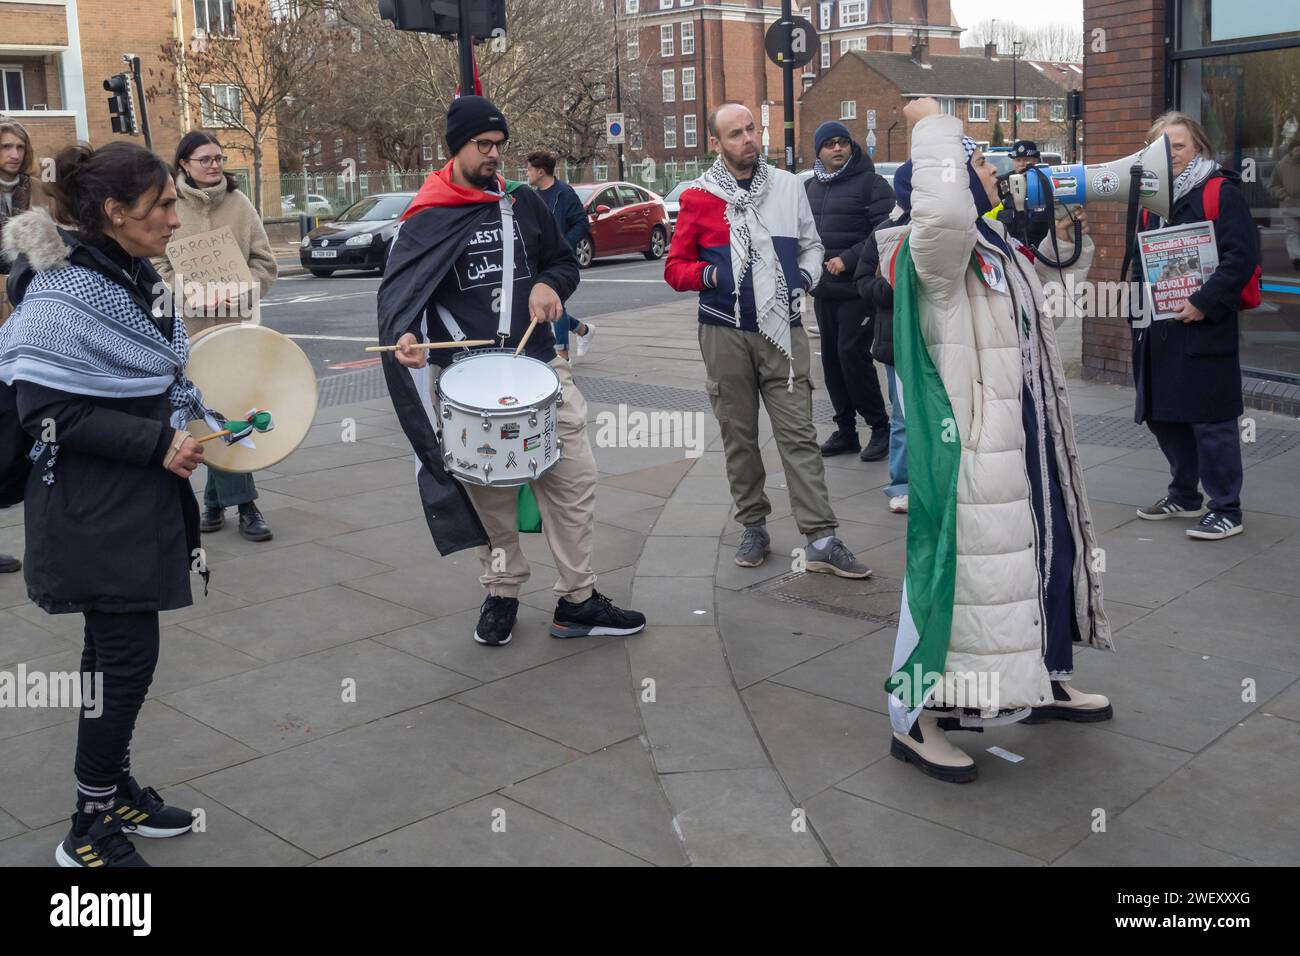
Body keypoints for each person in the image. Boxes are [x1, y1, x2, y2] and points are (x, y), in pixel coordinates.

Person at [878, 98, 1112, 783]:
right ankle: (913, 721)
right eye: (976, 160)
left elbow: (1051, 312)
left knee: (1046, 555)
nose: (990, 167)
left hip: (1029, 433)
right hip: (973, 447)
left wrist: (1076, 237)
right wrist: (928, 118)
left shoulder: (994, 246)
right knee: (954, 582)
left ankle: (1043, 674)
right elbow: (946, 211)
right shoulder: (933, 254)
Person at [0, 141, 207, 865]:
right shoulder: (60, 290)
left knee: (113, 657)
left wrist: (186, 417)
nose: (176, 218)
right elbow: (47, 413)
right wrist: (156, 445)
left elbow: (163, 370)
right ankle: (88, 825)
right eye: (163, 206)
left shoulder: (132, 269)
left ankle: (113, 789)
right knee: (124, 660)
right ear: (115, 212)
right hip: (90, 508)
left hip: (134, 500)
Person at [378, 96, 645, 646]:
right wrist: (406, 339)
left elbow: (563, 261)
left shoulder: (524, 204)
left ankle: (578, 599)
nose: (494, 156)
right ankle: (501, 591)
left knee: (572, 481)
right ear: (455, 147)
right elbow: (401, 301)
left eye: (500, 146)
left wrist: (551, 285)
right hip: (468, 379)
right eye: (483, 146)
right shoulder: (425, 219)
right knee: (489, 494)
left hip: (543, 366)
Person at [665, 103, 870, 578]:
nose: (748, 140)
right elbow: (674, 268)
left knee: (798, 433)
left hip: (785, 327)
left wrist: (803, 274)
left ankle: (821, 537)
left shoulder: (787, 186)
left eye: (752, 130)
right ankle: (753, 525)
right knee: (738, 435)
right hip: (723, 330)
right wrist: (712, 273)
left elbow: (812, 243)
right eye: (735, 134)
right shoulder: (699, 196)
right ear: (716, 144)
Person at [1130, 110, 1260, 540]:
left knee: (1211, 420)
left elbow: (1241, 259)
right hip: (1161, 329)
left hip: (1205, 326)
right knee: (1164, 416)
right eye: (1161, 148)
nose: (1171, 155)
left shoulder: (1221, 193)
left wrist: (1204, 302)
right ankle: (1184, 494)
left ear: (1198, 147)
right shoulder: (1151, 203)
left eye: (1179, 145)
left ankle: (1227, 508)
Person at [153, 131, 278, 542]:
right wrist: (190, 294)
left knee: (234, 412)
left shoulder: (241, 205)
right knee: (201, 414)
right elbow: (156, 266)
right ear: (184, 164)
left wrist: (245, 289)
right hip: (187, 332)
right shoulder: (169, 207)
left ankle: (243, 505)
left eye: (219, 158)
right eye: (205, 159)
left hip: (236, 330)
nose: (214, 165)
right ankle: (219, 501)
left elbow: (265, 263)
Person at [803, 121, 895, 463]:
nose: (837, 149)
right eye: (830, 145)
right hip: (824, 288)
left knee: (852, 356)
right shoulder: (811, 186)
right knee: (830, 360)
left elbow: (885, 232)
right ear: (819, 151)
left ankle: (880, 428)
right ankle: (845, 430)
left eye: (843, 142)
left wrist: (850, 258)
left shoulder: (872, 184)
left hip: (858, 288)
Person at [0, 116, 42, 574]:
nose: (13, 154)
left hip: (27, 315)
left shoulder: (35, 190)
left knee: (20, 427)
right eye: (5, 146)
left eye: (18, 147)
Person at [853, 219, 908, 514]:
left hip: (942, 338)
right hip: (897, 339)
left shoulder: (948, 225)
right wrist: (893, 287)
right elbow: (863, 281)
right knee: (902, 415)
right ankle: (901, 485)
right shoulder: (885, 231)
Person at [525, 150, 594, 359]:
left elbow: (581, 223)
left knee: (556, 302)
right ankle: (583, 330)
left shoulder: (564, 193)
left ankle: (562, 354)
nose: (526, 173)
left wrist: (563, 243)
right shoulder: (533, 197)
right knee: (552, 306)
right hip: (540, 259)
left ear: (540, 171)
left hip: (560, 260)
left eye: (529, 170)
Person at [1002, 140, 1051, 248]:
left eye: (1026, 159)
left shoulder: (1046, 182)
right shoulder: (1002, 183)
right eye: (1018, 160)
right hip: (1012, 247)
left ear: (1035, 160)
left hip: (1041, 248)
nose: (1021, 163)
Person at [1268, 138, 1300, 270]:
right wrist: (1284, 196)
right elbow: (1273, 185)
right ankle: (1296, 259)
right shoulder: (1281, 165)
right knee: (1292, 233)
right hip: (1289, 207)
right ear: (1291, 151)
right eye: (1297, 149)